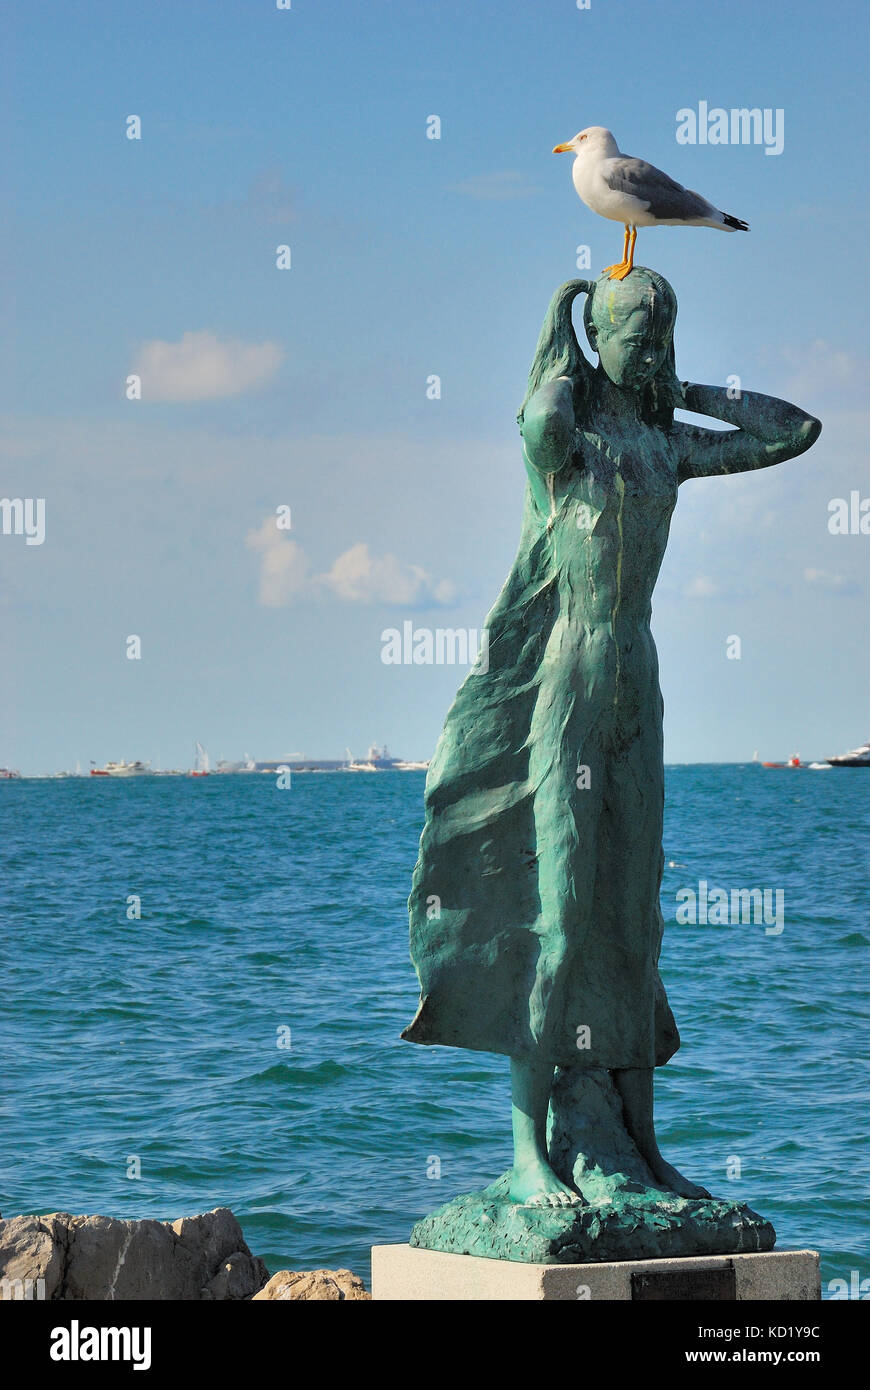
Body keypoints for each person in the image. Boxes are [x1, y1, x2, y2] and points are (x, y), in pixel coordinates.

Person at [402, 269, 821, 1207]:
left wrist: (690, 388)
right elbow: (542, 415)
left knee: (633, 923)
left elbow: (793, 431)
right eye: (639, 340)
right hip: (569, 684)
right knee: (555, 918)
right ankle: (528, 1153)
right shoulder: (571, 439)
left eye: (666, 341)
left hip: (640, 686)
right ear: (603, 340)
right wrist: (566, 323)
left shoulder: (666, 444)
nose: (655, 356)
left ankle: (642, 1144)